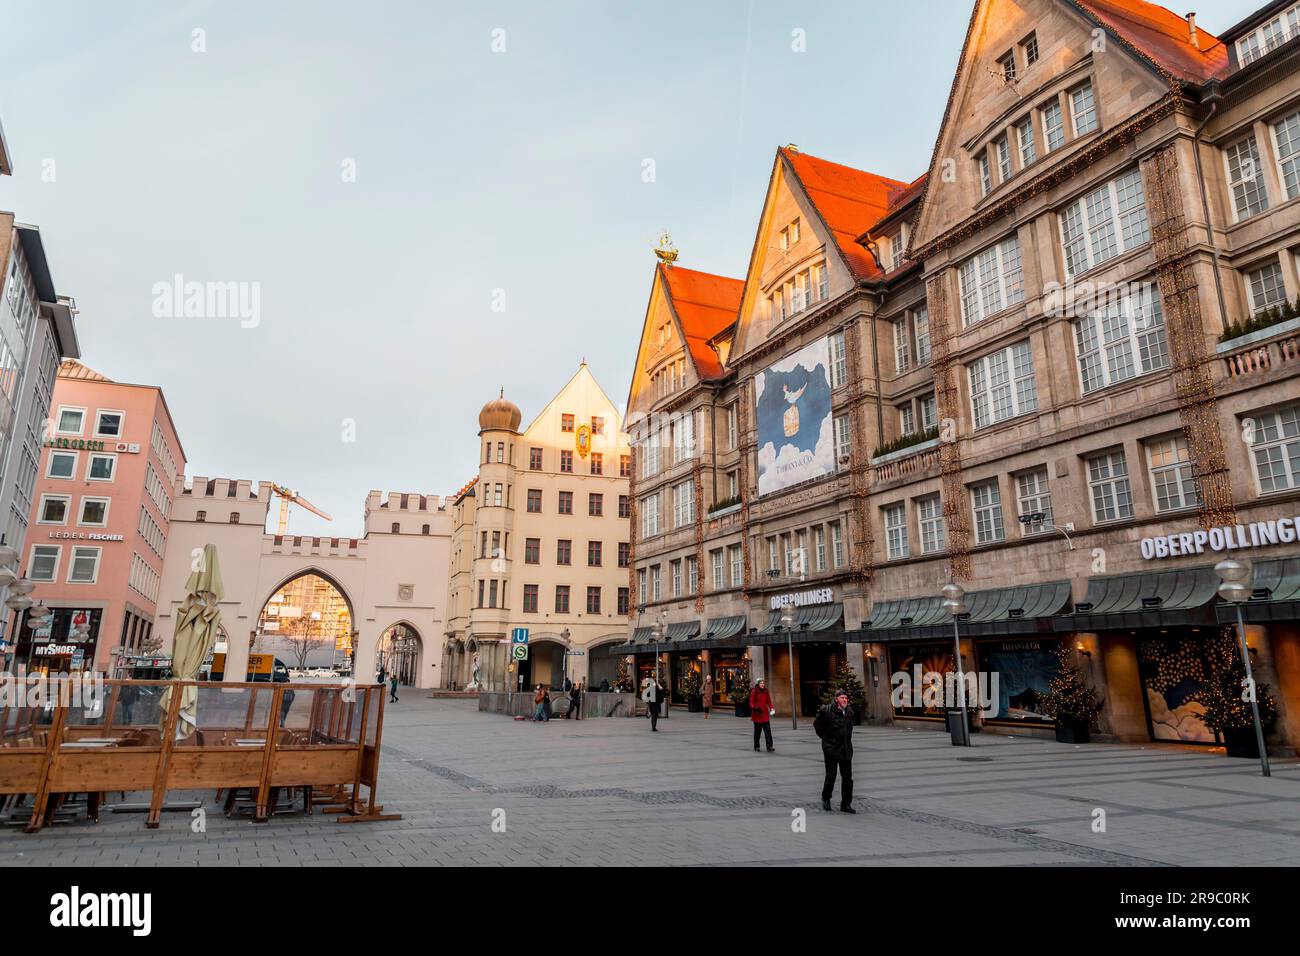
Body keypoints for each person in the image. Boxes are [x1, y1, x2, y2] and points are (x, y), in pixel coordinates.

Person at [814, 689, 855, 813]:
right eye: (842, 698)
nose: (844, 700)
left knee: (848, 777)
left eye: (846, 698)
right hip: (831, 748)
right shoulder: (827, 711)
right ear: (836, 699)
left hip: (846, 749)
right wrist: (826, 740)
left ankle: (846, 804)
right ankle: (826, 798)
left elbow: (850, 728)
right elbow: (817, 725)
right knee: (831, 775)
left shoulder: (849, 711)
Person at [749, 679, 775, 752]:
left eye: (763, 683)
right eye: (761, 683)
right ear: (758, 684)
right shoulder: (754, 691)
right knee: (757, 732)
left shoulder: (766, 691)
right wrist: (754, 707)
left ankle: (769, 746)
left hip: (765, 714)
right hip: (757, 714)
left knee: (768, 731)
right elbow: (751, 702)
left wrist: (772, 708)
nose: (762, 684)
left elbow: (769, 701)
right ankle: (757, 746)